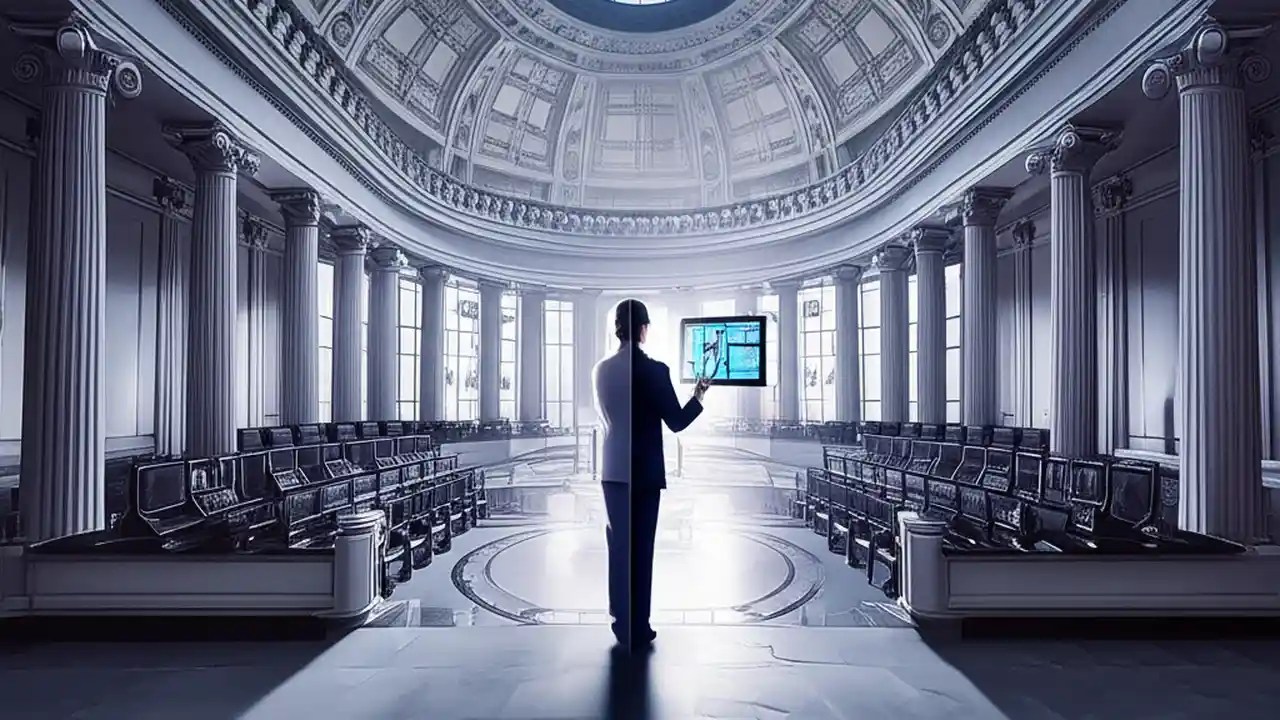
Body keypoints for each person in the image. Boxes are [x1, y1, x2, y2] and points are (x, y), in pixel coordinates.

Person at [593, 299, 708, 650]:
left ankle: (619, 621)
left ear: (618, 328)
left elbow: (608, 417)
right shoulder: (655, 370)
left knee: (618, 547)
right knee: (642, 550)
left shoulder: (601, 369)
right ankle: (639, 626)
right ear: (644, 329)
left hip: (612, 469)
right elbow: (676, 421)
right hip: (643, 473)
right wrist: (699, 395)